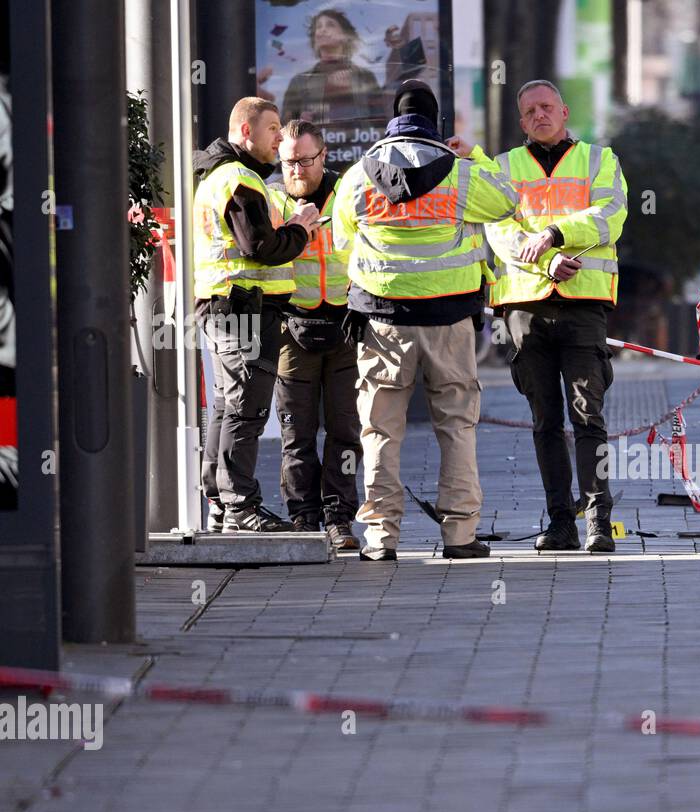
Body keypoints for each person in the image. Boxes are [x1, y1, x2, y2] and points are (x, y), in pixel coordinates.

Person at [333, 79, 517, 561]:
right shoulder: (460, 173)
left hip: (380, 322)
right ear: (435, 124)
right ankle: (459, 536)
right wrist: (475, 157)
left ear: (391, 121)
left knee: (379, 432)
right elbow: (508, 201)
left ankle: (379, 540)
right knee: (456, 427)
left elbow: (339, 244)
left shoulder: (357, 176)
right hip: (449, 319)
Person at [484, 79, 628, 553]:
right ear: (521, 120)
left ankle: (599, 521)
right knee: (545, 420)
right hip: (525, 306)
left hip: (584, 304)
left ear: (565, 112)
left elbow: (612, 212)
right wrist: (544, 260)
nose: (539, 116)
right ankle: (561, 521)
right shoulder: (504, 167)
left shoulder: (598, 160)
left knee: (589, 415)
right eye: (529, 111)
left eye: (547, 107)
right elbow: (499, 230)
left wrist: (553, 233)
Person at [194, 97, 319, 533]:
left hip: (226, 305)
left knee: (229, 407)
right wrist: (301, 229)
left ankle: (219, 498)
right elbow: (260, 248)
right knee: (246, 408)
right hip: (244, 307)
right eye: (272, 130)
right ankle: (240, 504)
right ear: (246, 131)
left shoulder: (217, 174)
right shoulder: (239, 178)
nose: (278, 139)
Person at [268, 120, 362, 550]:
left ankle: (339, 517)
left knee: (345, 428)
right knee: (296, 430)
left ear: (323, 156)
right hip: (293, 327)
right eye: (288, 162)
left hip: (345, 325)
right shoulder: (270, 199)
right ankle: (304, 517)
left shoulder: (349, 194)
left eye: (305, 161)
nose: (296, 170)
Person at [279, 9, 386, 145]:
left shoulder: (365, 77)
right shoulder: (300, 82)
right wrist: (299, 125)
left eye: (330, 25)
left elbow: (380, 125)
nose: (322, 30)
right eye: (319, 27)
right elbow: (284, 131)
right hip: (314, 158)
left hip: (359, 153)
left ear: (345, 36)